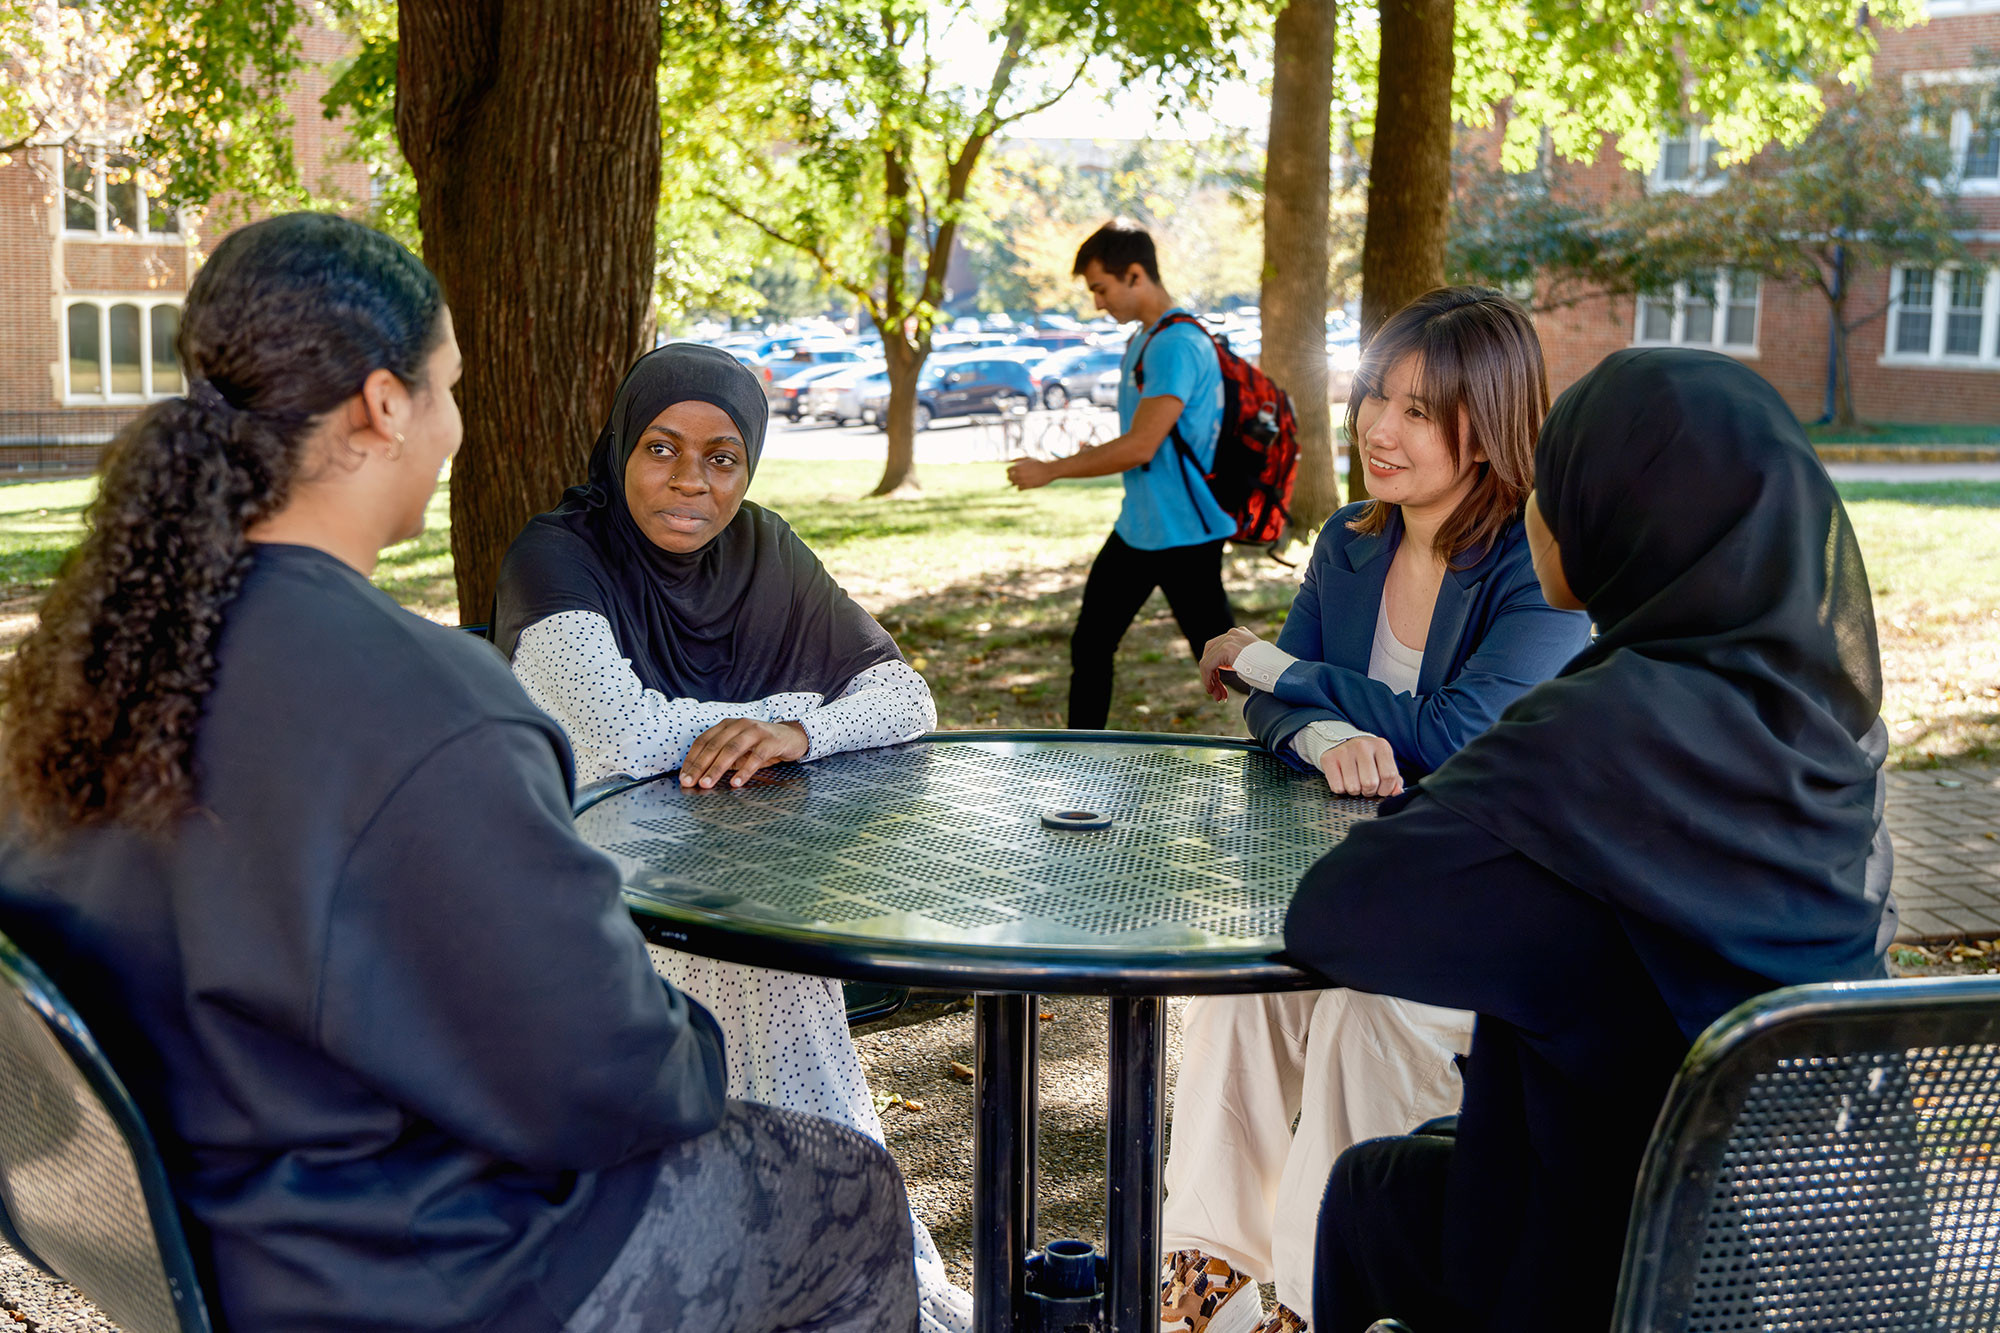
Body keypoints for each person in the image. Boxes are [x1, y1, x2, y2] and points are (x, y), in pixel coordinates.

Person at [0, 213, 918, 1333]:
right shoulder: (432, 702)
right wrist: (700, 1036)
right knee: (844, 1187)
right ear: (385, 406)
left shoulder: (83, 666)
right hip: (409, 1274)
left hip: (193, 1247)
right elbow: (616, 1082)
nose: (454, 426)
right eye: (449, 387)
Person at [1288, 347, 1896, 1332]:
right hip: (1811, 1261)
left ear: (1618, 520)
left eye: (1556, 483)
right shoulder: (1831, 730)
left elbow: (1336, 916)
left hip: (1604, 1269)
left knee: (1372, 1192)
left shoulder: (1593, 732)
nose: (1534, 507)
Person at [491, 345, 968, 1333]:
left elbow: (903, 698)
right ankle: (838, 1249)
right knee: (753, 958)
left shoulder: (764, 551)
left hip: (741, 873)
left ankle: (820, 1251)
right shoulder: (557, 553)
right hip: (593, 894)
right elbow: (613, 736)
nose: (689, 480)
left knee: (761, 945)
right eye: (662, 448)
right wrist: (788, 709)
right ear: (623, 446)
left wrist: (801, 731)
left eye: (721, 457)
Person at [1162, 288, 1593, 1333]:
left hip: (1486, 908)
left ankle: (1312, 1302)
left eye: (1414, 408)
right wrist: (1317, 729)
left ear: (1483, 423)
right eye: (1373, 396)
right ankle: (1204, 1274)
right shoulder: (1350, 543)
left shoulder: (1534, 569)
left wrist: (1271, 660)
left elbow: (1455, 735)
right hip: (1352, 883)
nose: (1376, 428)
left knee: (1364, 1015)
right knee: (1240, 990)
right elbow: (1267, 712)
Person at [1006, 219, 1236, 730]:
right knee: (1091, 643)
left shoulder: (1176, 342)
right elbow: (1147, 441)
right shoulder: (1147, 339)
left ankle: (1304, 739)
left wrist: (1052, 470)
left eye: (1101, 289)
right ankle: (1081, 757)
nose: (1097, 303)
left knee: (1232, 662)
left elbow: (1140, 445)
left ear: (1135, 275)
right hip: (1142, 528)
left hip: (1186, 534)